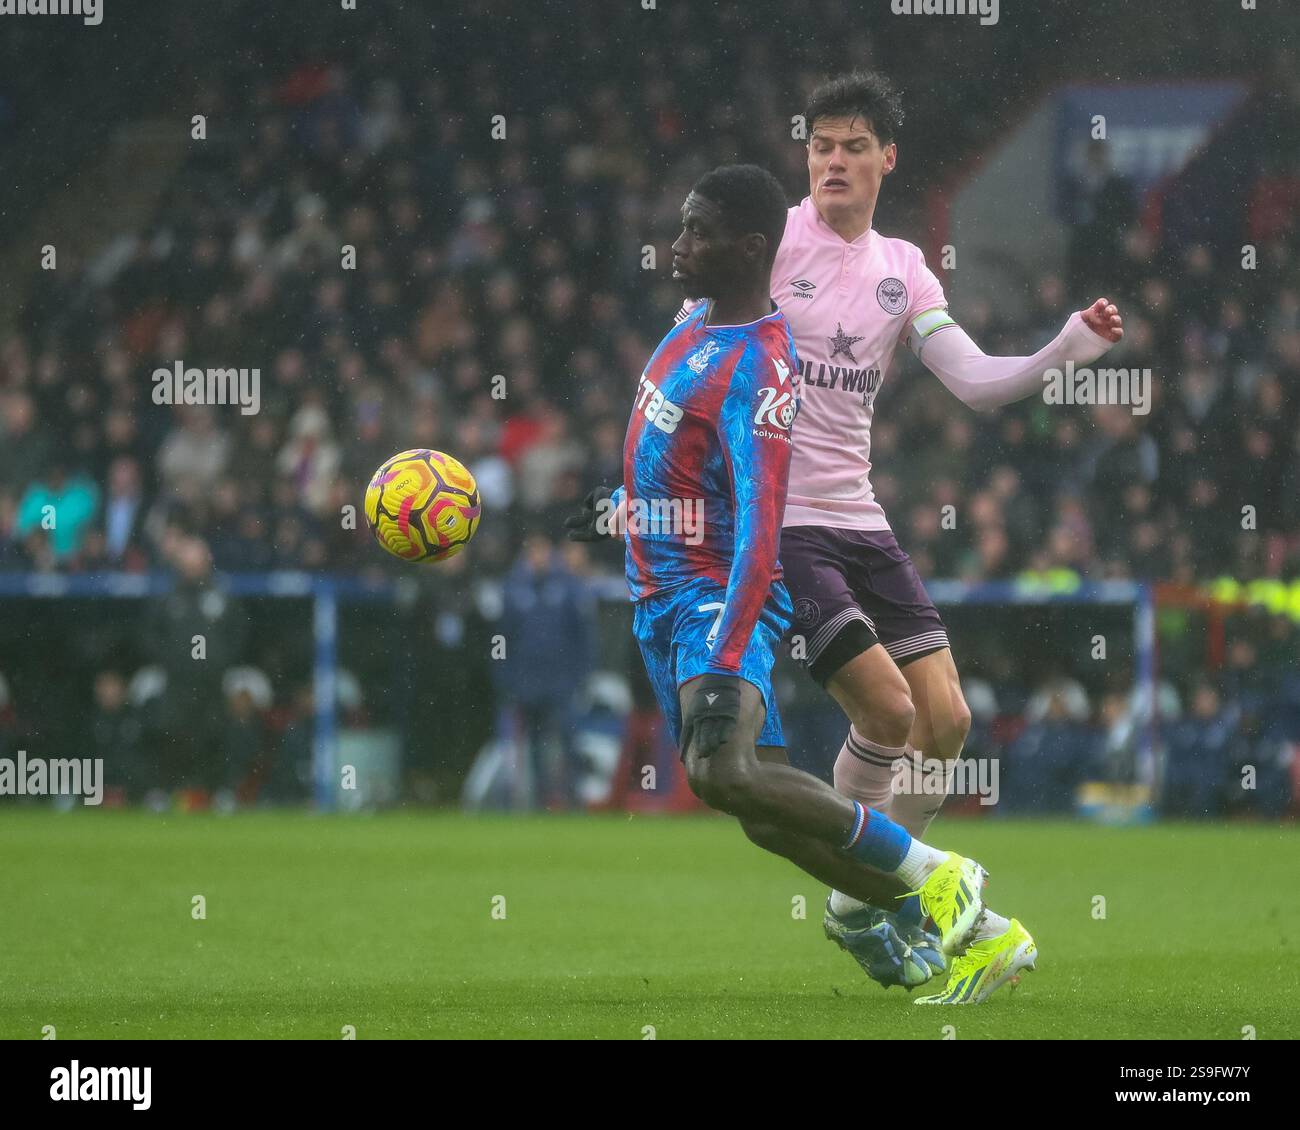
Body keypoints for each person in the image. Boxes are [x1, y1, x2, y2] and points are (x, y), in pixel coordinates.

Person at [668, 73, 1124, 1002]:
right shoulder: (769, 241)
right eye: (821, 145)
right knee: (884, 711)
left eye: (851, 146)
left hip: (860, 521)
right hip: (783, 520)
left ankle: (854, 905)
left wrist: (1063, 350)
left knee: (947, 719)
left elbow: (975, 380)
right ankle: (895, 882)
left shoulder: (904, 268)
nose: (832, 161)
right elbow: (690, 353)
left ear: (886, 159)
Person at [567, 164, 994, 971]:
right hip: (658, 598)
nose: (679, 244)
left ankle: (935, 872)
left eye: (697, 230)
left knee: (731, 768)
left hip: (710, 601)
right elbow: (667, 462)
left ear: (750, 247)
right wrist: (619, 510)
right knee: (751, 805)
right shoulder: (690, 322)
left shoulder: (760, 371)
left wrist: (727, 645)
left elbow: (762, 537)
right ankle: (938, 918)